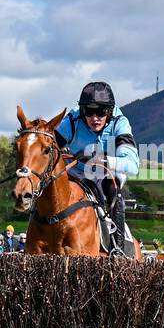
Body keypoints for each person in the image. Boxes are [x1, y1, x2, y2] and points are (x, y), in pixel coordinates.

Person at [54, 81, 140, 252]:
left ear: (109, 111)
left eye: (101, 112)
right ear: (82, 110)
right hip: (77, 173)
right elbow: (50, 149)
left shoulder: (120, 123)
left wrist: (104, 160)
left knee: (113, 191)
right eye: (89, 111)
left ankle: (118, 248)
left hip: (107, 175)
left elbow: (133, 165)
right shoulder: (72, 120)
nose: (95, 118)